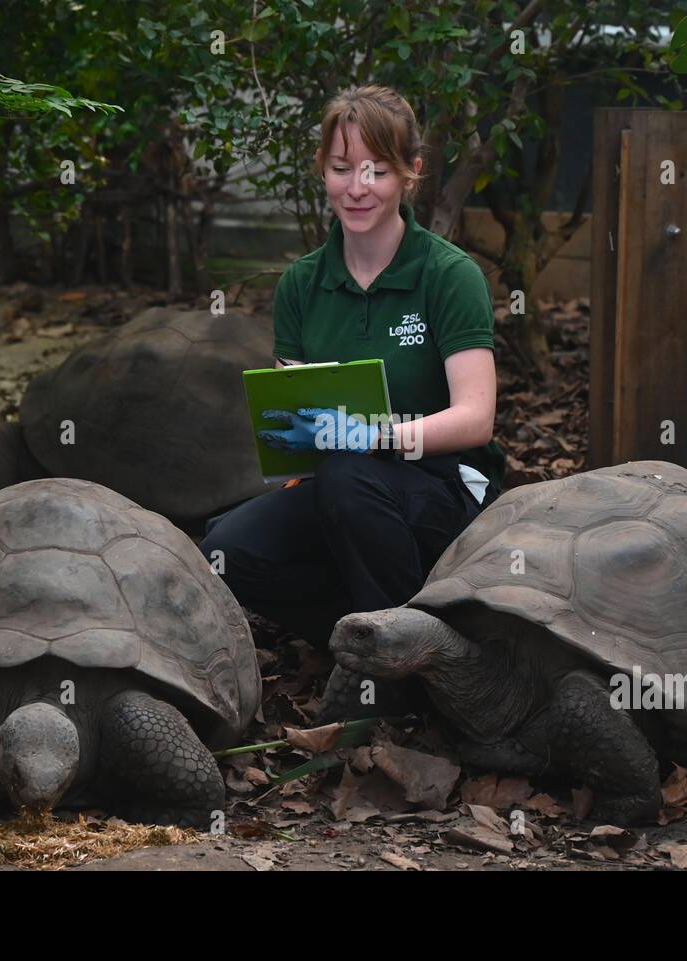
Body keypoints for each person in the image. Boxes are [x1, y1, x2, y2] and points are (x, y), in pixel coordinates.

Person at [199, 84, 505, 713]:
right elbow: (294, 413)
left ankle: (414, 673)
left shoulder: (449, 275)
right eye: (341, 169)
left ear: (411, 173)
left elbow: (476, 419)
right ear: (323, 171)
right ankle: (359, 639)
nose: (357, 187)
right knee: (227, 550)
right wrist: (300, 446)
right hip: (342, 478)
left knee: (349, 475)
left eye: (376, 170)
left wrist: (380, 434)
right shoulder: (302, 283)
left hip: (444, 484)